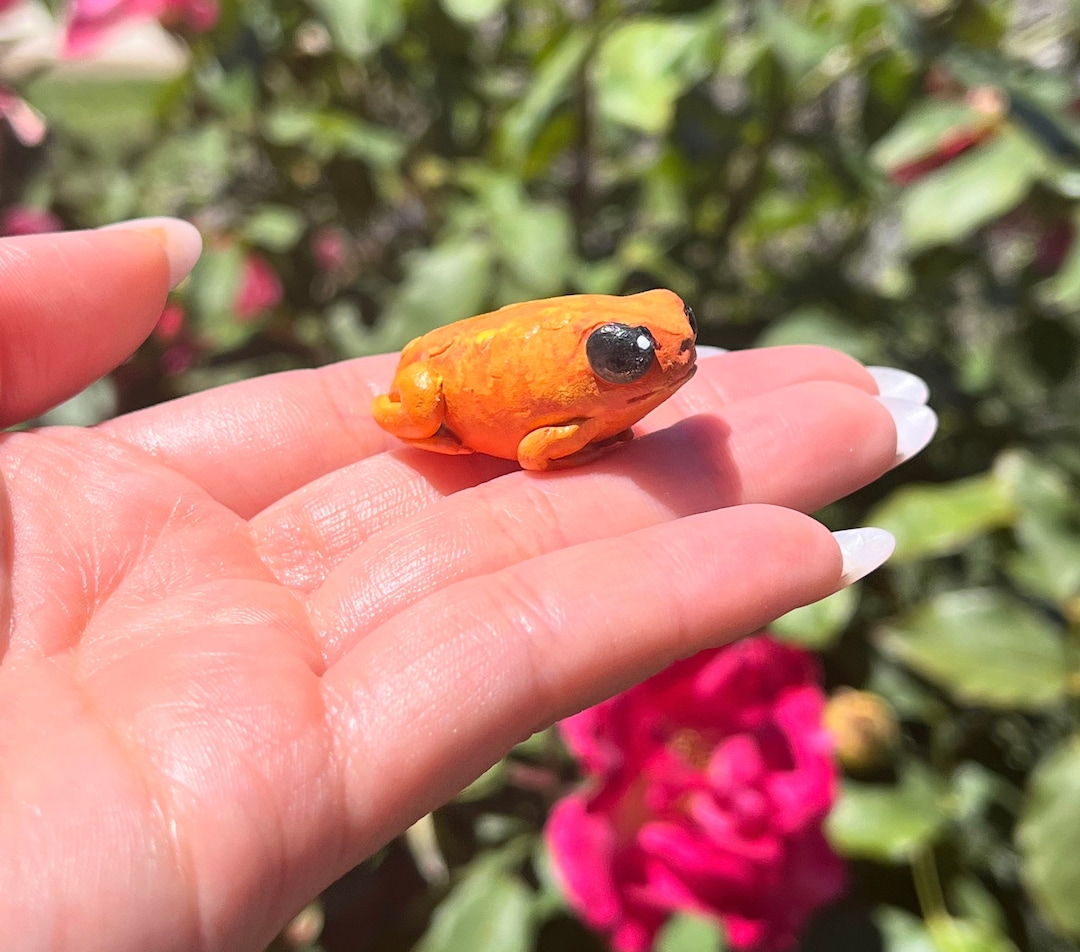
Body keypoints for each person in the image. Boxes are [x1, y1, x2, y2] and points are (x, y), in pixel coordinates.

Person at [0, 219, 936, 951]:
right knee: (428, 404)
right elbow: (536, 450)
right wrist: (567, 430)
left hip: (494, 354)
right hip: (448, 392)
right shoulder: (592, 388)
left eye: (676, 336)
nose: (680, 360)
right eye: (639, 357)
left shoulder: (640, 357)